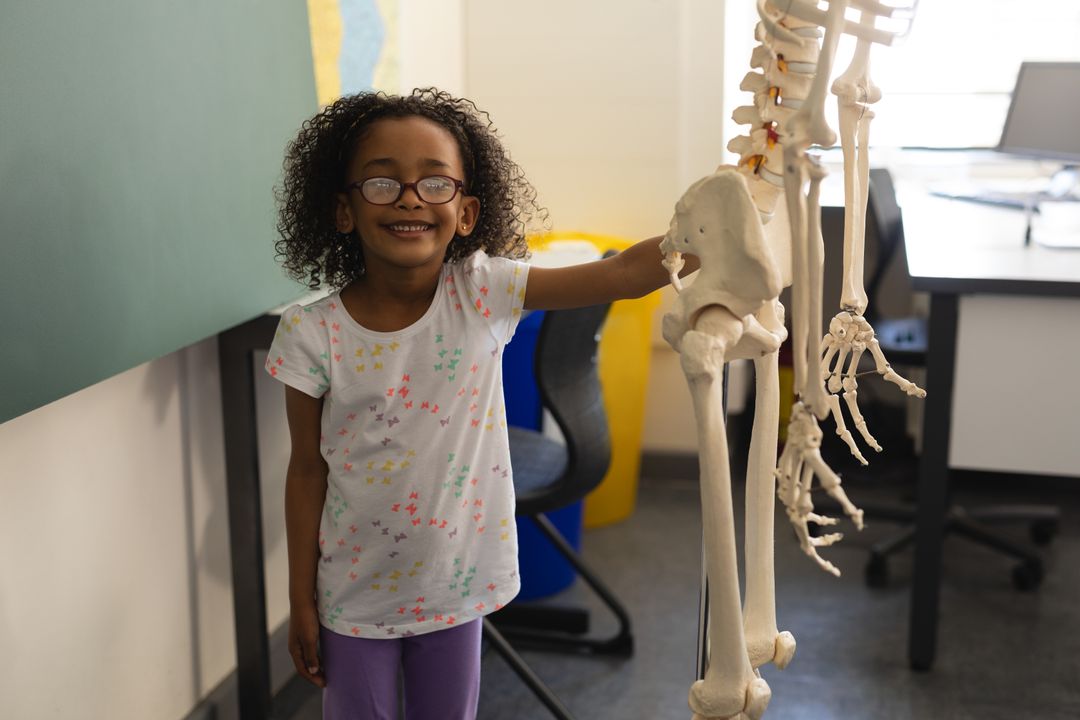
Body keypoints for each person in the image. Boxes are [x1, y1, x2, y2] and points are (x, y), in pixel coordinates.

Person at [266, 87, 694, 720]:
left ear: (465, 213)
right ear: (343, 211)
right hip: (352, 596)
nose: (410, 196)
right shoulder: (310, 333)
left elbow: (622, 275)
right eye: (382, 182)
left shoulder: (483, 291)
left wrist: (714, 230)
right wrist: (300, 599)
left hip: (455, 586)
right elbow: (306, 471)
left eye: (434, 183)